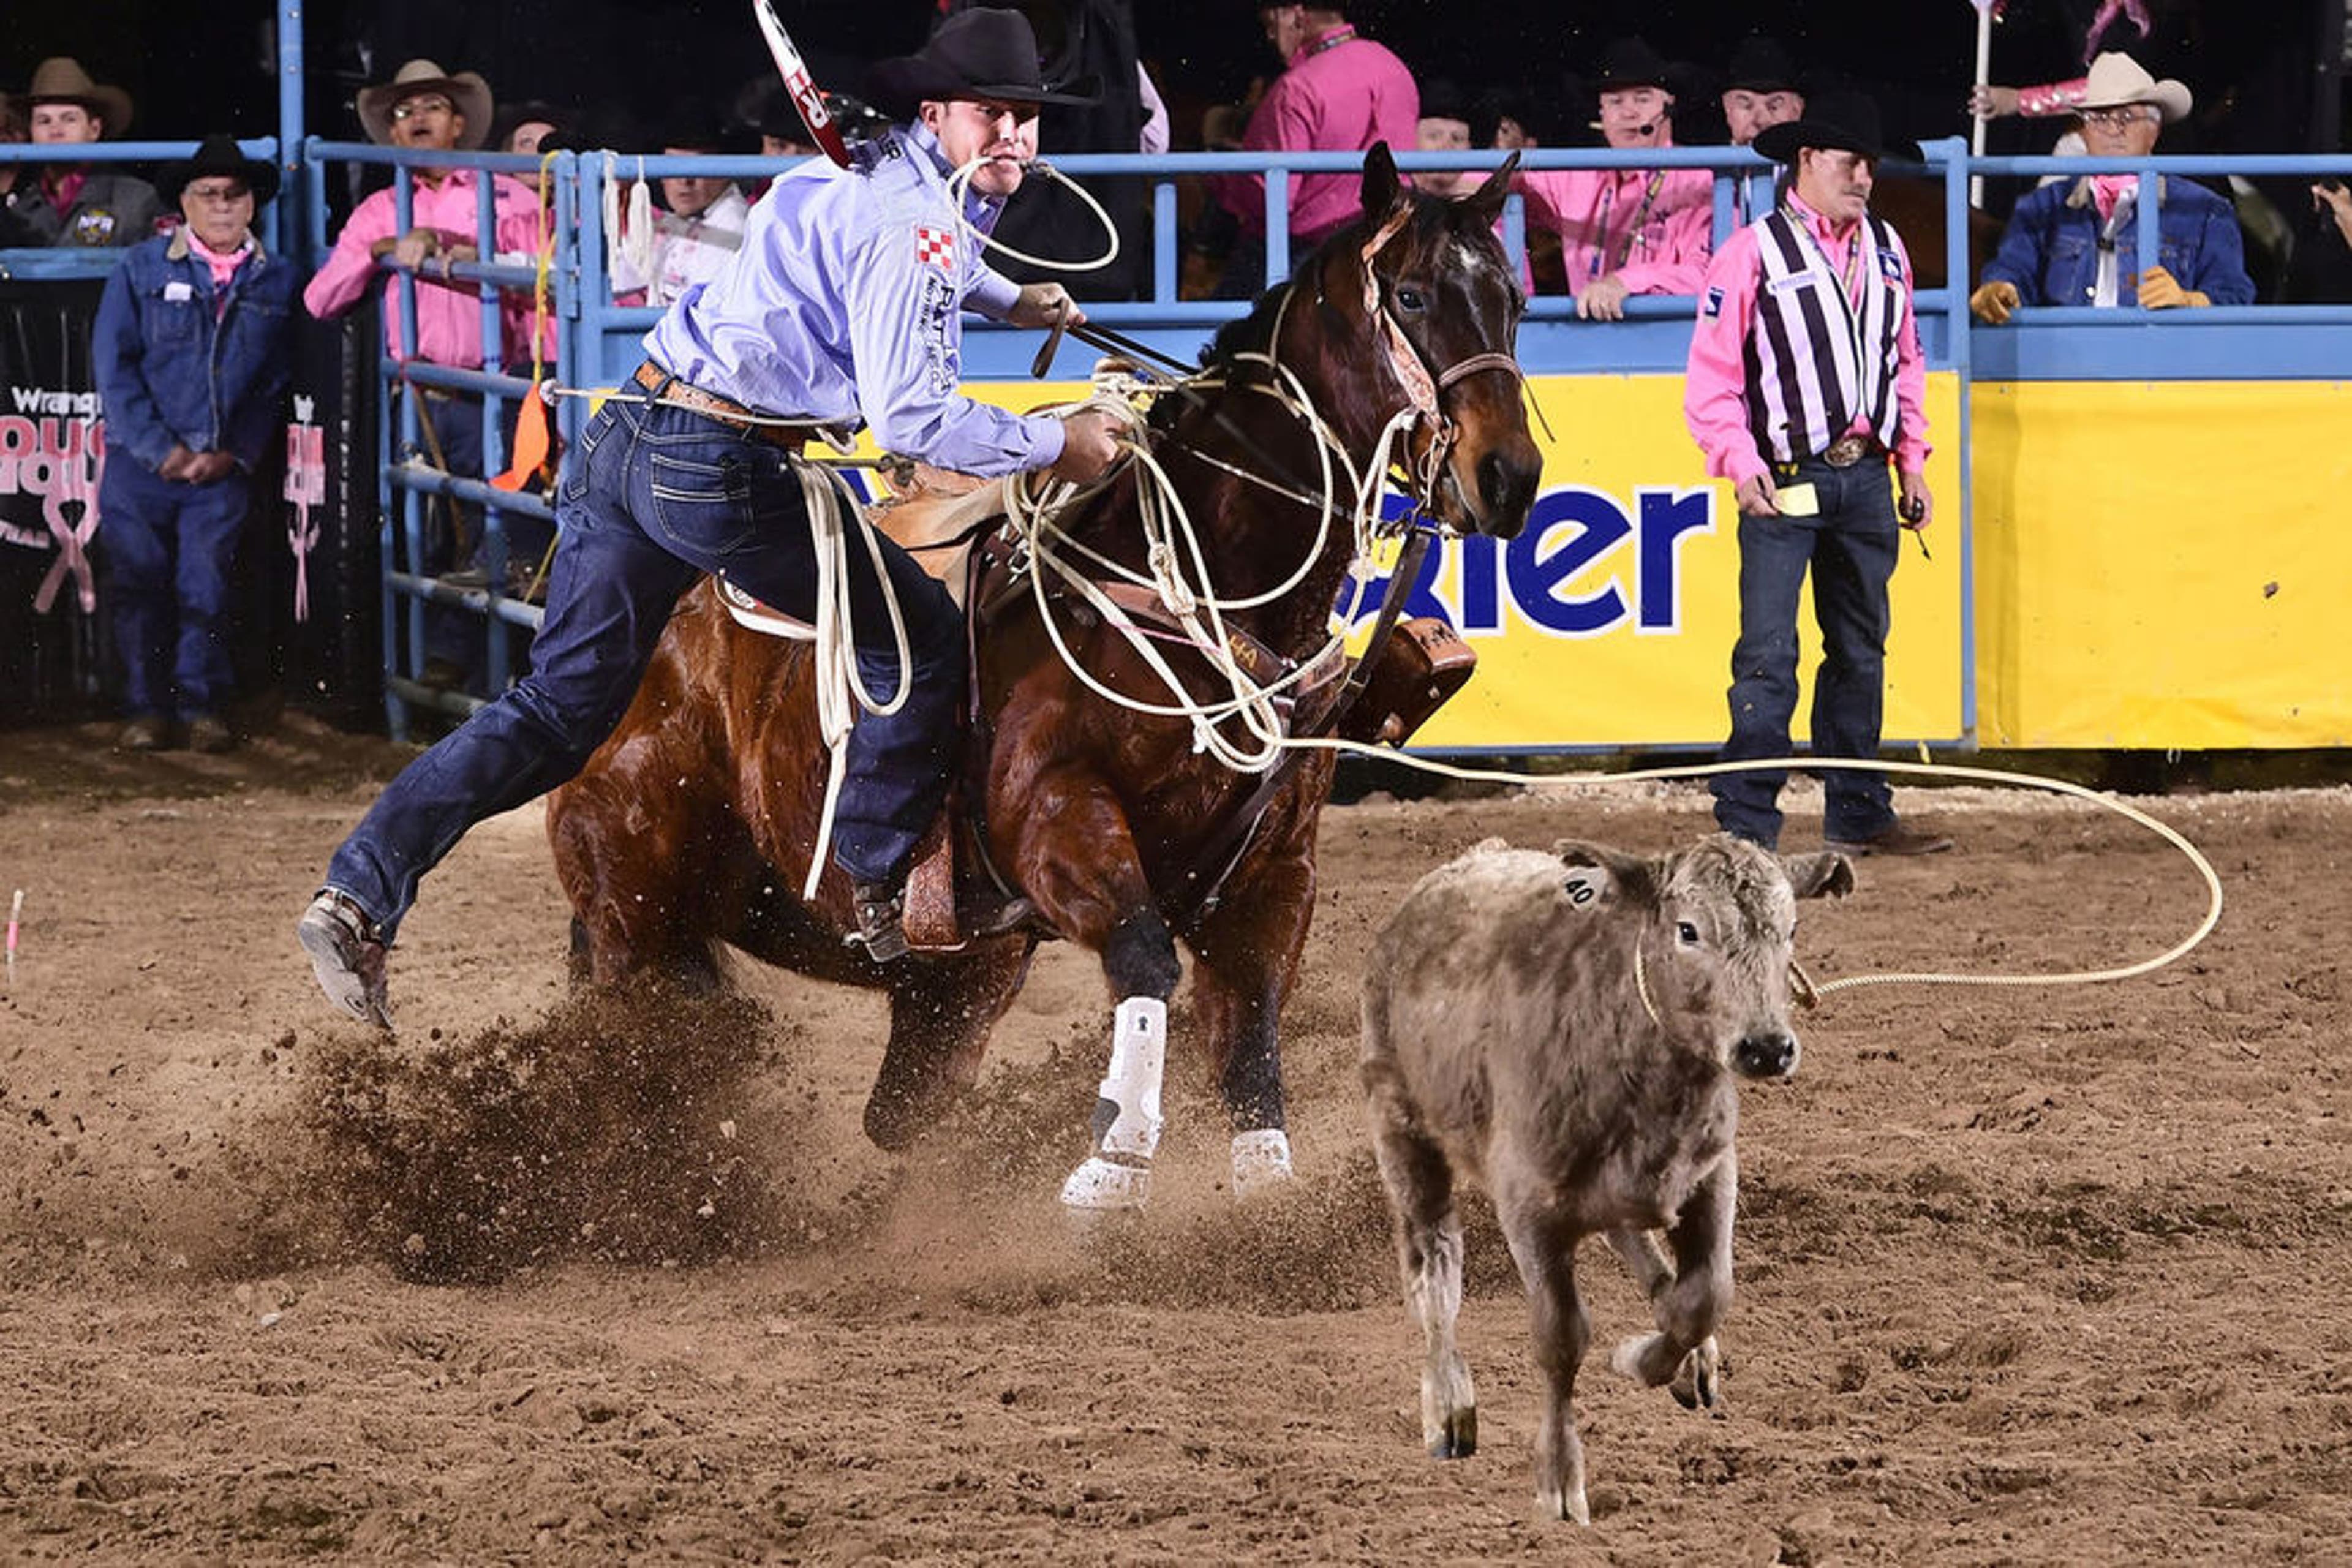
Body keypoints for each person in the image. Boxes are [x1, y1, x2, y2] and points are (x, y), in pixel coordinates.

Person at [296, 7, 1122, 1025]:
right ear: (938, 113)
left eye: (1027, 120)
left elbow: (861, 251)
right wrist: (1058, 443)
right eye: (991, 115)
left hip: (635, 433)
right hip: (718, 466)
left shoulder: (868, 170)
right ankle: (876, 876)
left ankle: (358, 888)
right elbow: (913, 416)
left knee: (558, 711)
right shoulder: (912, 222)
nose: (1013, 138)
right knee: (915, 636)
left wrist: (1004, 299)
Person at [1683, 92, 1952, 858]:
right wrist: (1739, 464)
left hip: (1866, 477)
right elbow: (1712, 381)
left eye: (1870, 164)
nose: (1864, 177)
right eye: (1849, 161)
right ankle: (1745, 825)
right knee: (1770, 652)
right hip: (1783, 475)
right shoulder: (1750, 253)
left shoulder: (1889, 249)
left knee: (1860, 648)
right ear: (1807, 160)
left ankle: (1859, 809)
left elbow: (1906, 364)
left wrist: (1913, 463)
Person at [303, 59, 546, 685]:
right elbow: (321, 299)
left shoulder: (507, 196)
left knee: (492, 531)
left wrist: (472, 255)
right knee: (435, 534)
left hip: (496, 390)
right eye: (404, 112)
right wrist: (379, 251)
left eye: (431, 107)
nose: (417, 120)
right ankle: (446, 668)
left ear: (458, 122)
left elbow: (542, 280)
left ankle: (466, 668)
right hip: (418, 392)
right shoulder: (381, 210)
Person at [91, 135, 300, 753]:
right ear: (184, 203)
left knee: (205, 585)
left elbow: (273, 383)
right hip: (143, 465)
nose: (221, 206)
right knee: (140, 582)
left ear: (251, 205)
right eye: (207, 195)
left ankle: (199, 704)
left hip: (220, 465)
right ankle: (147, 707)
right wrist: (163, 451)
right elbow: (115, 369)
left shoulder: (276, 281)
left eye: (233, 195)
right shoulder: (139, 268)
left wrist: (234, 450)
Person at [1967, 54, 2252, 322]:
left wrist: (2188, 302)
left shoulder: (2205, 212)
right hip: (2065, 366)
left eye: (2128, 117)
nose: (2114, 129)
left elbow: (2235, 297)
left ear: (2155, 129)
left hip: (2162, 366)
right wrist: (2002, 290)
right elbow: (2014, 269)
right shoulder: (2040, 208)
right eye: (2100, 118)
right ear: (2084, 131)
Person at [1205, 4, 1417, 296]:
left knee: (1223, 331)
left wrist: (1226, 184)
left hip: (1308, 256)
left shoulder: (1297, 87)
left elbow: (1270, 197)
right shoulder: (1395, 68)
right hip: (1388, 250)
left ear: (1293, 14)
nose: (1270, 36)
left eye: (1270, 24)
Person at [1517, 37, 1712, 320]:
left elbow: (1709, 273)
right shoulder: (1578, 177)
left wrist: (1625, 282)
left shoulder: (1701, 179)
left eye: (1642, 98)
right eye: (1615, 101)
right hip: (1589, 343)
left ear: (1669, 106)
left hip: (1676, 339)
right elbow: (1490, 180)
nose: (1629, 112)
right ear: (1602, 114)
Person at [0, 58, 160, 248]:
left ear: (94, 129)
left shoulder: (137, 199)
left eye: (69, 119)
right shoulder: (17, 203)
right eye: (44, 121)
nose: (55, 130)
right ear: (32, 131)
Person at [611, 102, 752, 309]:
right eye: (673, 165)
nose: (685, 180)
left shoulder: (731, 225)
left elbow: (702, 317)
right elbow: (624, 274)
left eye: (698, 166)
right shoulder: (675, 222)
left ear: (723, 170)